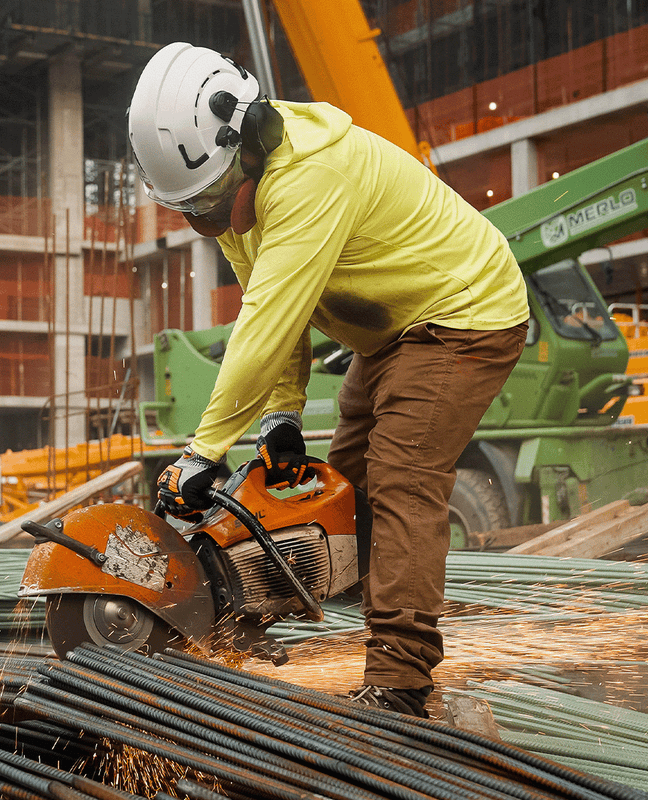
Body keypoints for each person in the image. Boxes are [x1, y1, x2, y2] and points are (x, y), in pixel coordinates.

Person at [129, 42, 529, 718]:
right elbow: (275, 310)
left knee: (402, 477)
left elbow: (262, 322)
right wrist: (280, 416)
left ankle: (399, 682)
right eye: (191, 210)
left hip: (464, 314)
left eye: (209, 203)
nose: (207, 223)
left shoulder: (310, 176)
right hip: (392, 332)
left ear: (245, 144)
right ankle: (301, 631)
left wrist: (205, 452)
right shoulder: (238, 191)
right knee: (334, 489)